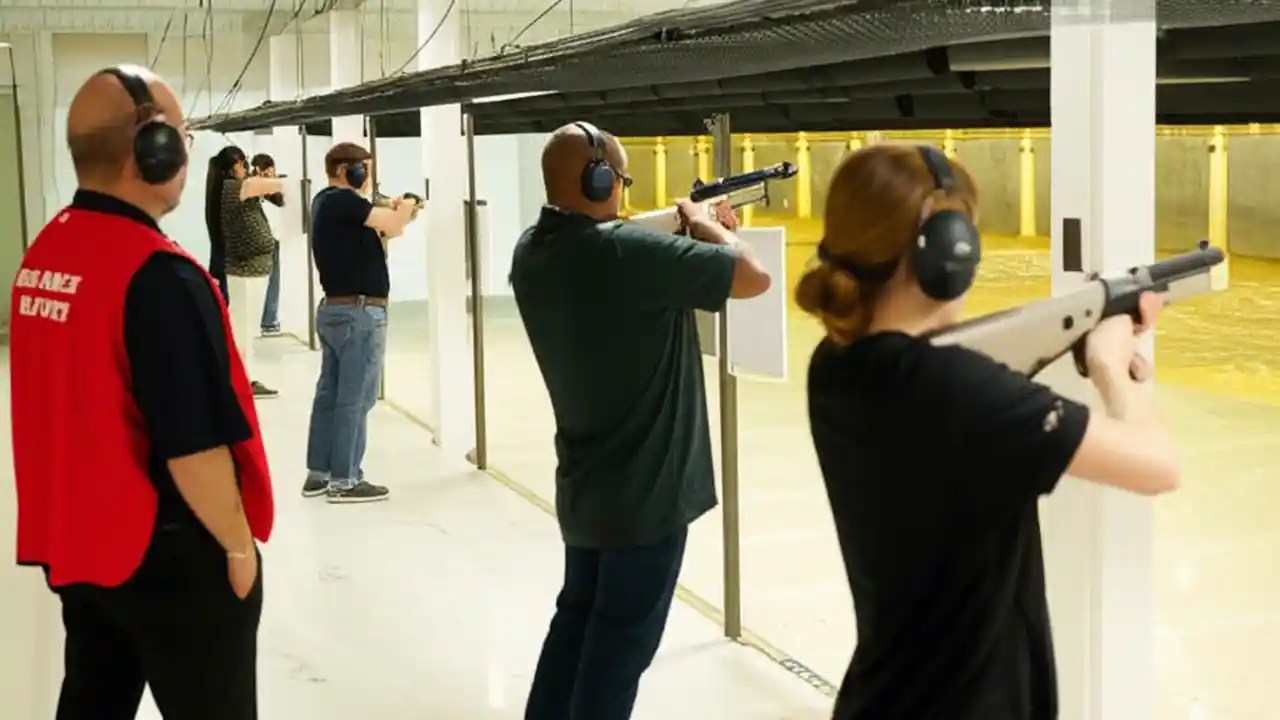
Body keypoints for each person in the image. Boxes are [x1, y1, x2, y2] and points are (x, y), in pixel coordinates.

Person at [797, 144, 1181, 719]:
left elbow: (963, 404)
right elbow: (1159, 465)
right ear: (947, 252)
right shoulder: (952, 389)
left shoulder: (835, 367)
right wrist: (1111, 366)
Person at [8, 64, 274, 719]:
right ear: (153, 150)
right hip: (169, 556)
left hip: (81, 546)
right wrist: (239, 549)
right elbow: (194, 447)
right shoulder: (157, 275)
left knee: (95, 696)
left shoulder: (48, 253)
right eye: (180, 134)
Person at [510, 121, 772, 720]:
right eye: (620, 180)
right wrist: (705, 225)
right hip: (646, 497)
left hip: (588, 491)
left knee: (576, 627)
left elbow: (612, 242)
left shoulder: (532, 251)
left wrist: (674, 227)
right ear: (601, 177)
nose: (623, 191)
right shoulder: (628, 253)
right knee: (618, 655)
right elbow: (753, 277)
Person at [302, 141, 419, 503]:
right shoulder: (344, 201)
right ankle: (345, 480)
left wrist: (398, 212)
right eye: (363, 169)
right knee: (355, 398)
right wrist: (411, 204)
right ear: (344, 170)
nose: (366, 177)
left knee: (331, 395)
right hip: (359, 313)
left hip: (338, 310)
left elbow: (386, 225)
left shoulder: (326, 201)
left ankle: (319, 474)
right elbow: (394, 226)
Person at [205, 145, 282, 398]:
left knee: (243, 329)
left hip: (249, 269)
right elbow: (277, 188)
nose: (246, 168)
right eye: (244, 164)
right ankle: (237, 382)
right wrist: (266, 176)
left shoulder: (235, 187)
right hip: (244, 270)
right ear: (235, 166)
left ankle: (241, 378)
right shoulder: (233, 187)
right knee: (241, 330)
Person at [249, 152, 285, 336]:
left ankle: (269, 320)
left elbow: (281, 201)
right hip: (260, 239)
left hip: (273, 239)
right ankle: (266, 320)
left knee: (273, 281)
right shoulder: (252, 187)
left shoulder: (273, 191)